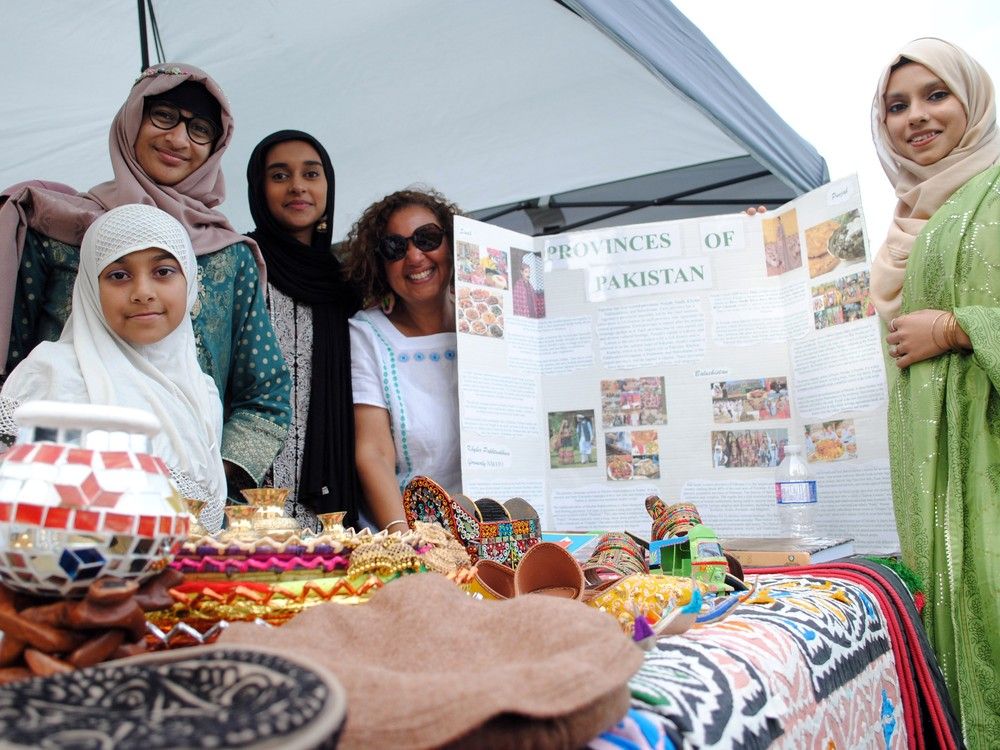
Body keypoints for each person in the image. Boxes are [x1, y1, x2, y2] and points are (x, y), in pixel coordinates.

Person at [0, 64, 291, 501]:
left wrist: (202, 481)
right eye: (163, 116)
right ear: (131, 120)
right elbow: (14, 362)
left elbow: (265, 391)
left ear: (216, 147)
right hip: (62, 488)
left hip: (191, 502)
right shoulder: (57, 230)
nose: (178, 139)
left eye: (200, 129)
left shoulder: (230, 257)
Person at [871, 38, 1000, 745]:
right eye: (897, 105)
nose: (915, 117)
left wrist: (957, 328)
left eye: (935, 95)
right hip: (933, 504)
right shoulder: (906, 224)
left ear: (972, 100)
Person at [1, 204, 226, 531]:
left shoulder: (201, 391)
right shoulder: (51, 375)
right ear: (91, 288)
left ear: (189, 279)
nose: (143, 293)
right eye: (119, 276)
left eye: (163, 271)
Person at [246, 130, 361, 530]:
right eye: (279, 176)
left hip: (331, 494)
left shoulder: (347, 281)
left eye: (311, 174)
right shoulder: (243, 262)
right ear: (258, 189)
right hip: (253, 482)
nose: (297, 186)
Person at [343, 188, 460, 531]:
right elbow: (374, 452)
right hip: (414, 539)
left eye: (427, 238)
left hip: (499, 535)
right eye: (395, 247)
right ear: (380, 264)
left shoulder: (490, 323)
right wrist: (407, 545)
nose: (415, 257)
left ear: (452, 244)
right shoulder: (367, 335)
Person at [512, 253, 545, 318]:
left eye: (529, 272)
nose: (528, 274)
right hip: (524, 312)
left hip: (532, 309)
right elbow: (517, 302)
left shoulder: (531, 285)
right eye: (526, 272)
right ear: (522, 272)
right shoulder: (518, 285)